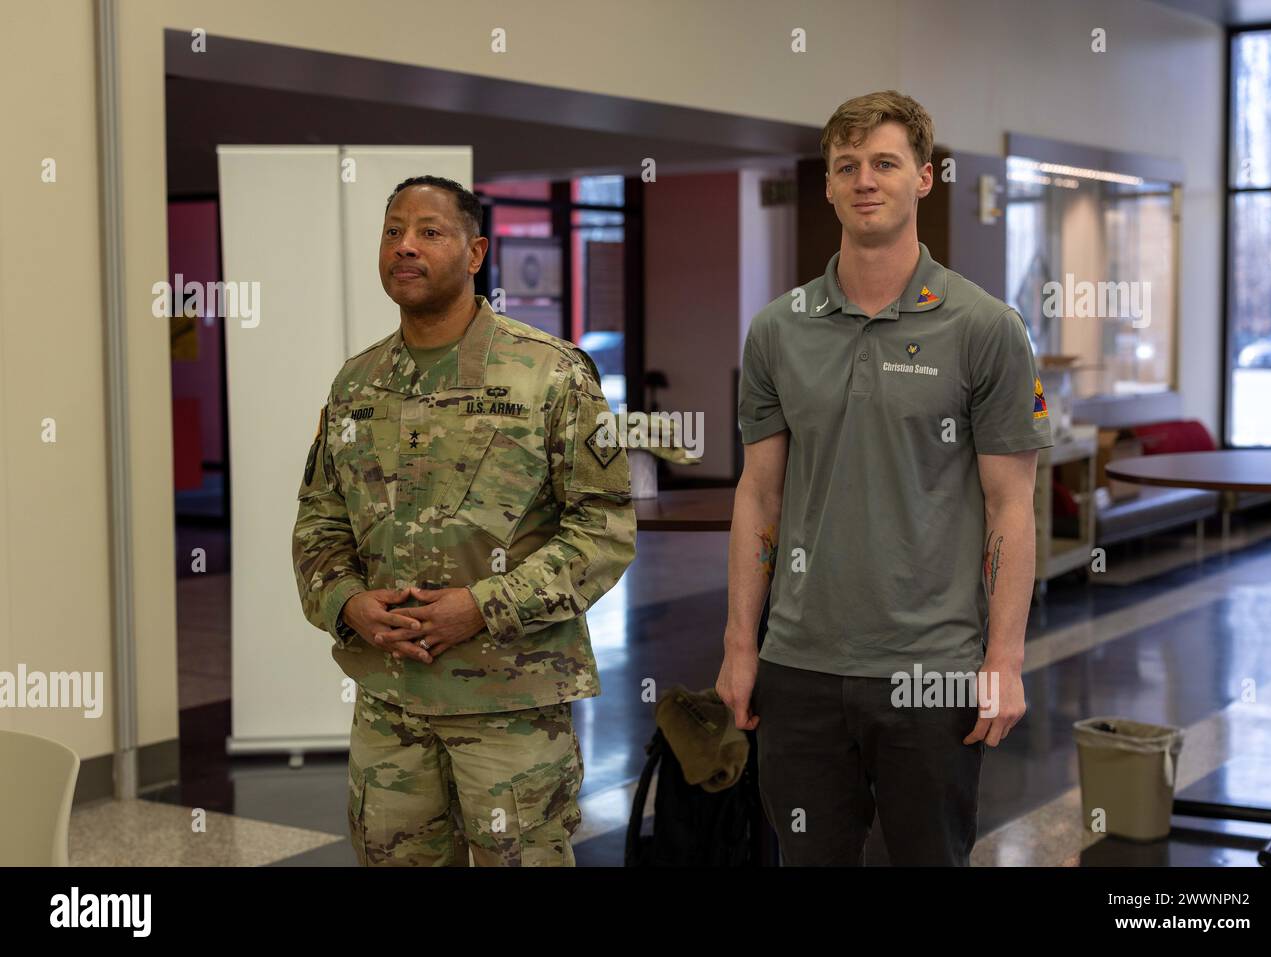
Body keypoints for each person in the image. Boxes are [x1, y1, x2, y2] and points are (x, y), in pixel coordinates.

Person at [716, 91, 1053, 866]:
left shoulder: (986, 327)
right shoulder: (778, 328)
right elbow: (758, 495)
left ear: (924, 178)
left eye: (885, 163)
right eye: (847, 166)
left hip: (933, 669)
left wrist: (1004, 658)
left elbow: (1011, 506)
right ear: (829, 186)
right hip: (799, 666)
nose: (865, 179)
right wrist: (742, 646)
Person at [292, 175, 636, 867]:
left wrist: (481, 608)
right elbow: (319, 522)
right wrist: (348, 602)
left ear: (476, 252)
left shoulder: (550, 374)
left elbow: (602, 531)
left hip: (510, 704)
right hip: (390, 703)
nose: (405, 247)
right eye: (393, 231)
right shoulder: (356, 384)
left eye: (429, 231)